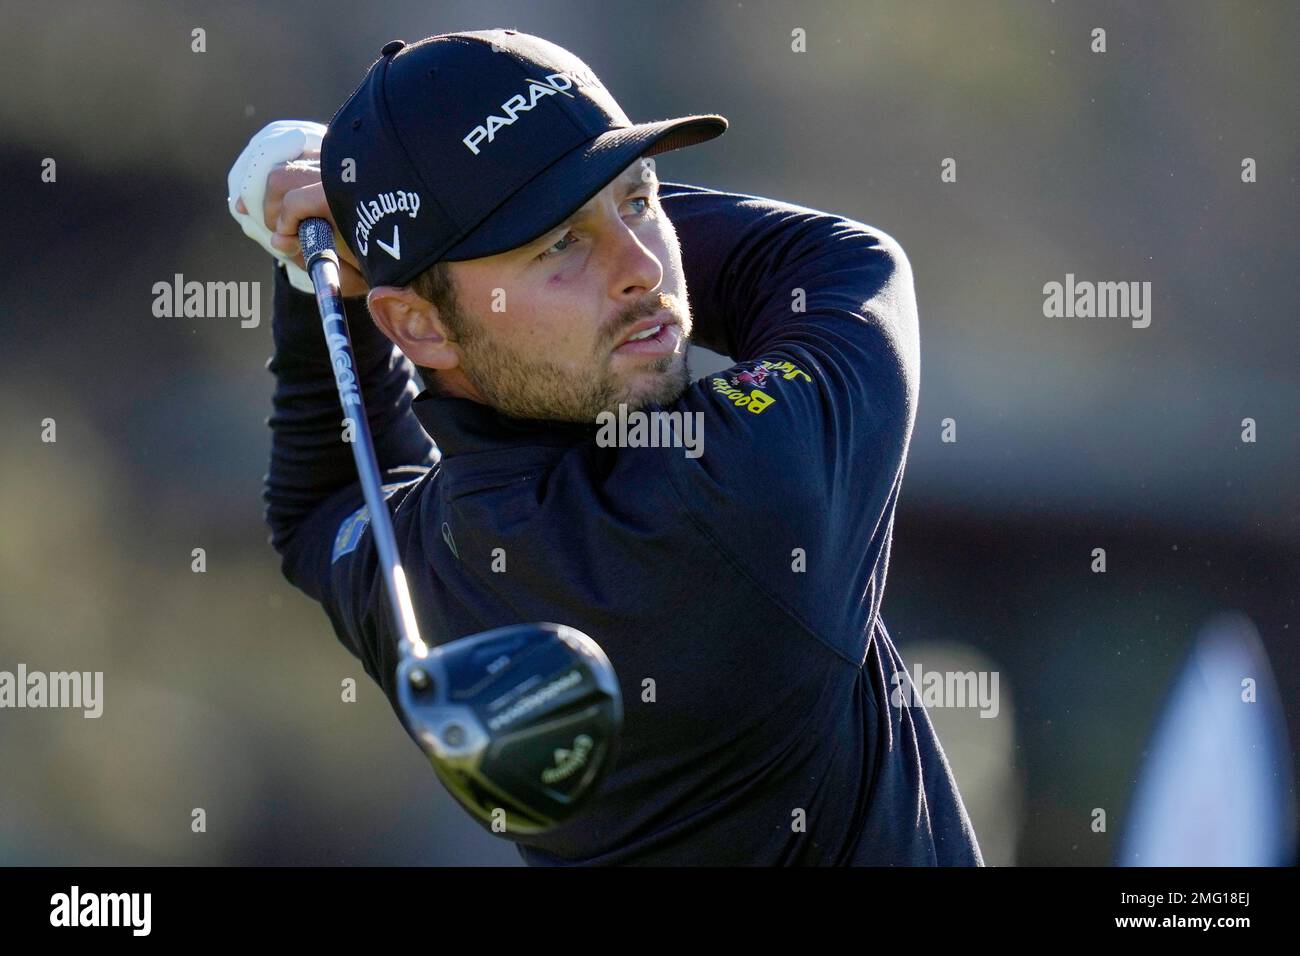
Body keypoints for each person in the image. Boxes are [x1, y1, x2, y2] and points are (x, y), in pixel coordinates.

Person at [232, 29, 983, 865]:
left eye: (640, 199)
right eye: (558, 244)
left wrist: (323, 273)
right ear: (416, 325)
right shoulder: (751, 486)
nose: (644, 269)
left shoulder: (432, 574)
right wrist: (367, 245)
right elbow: (836, 262)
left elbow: (322, 508)